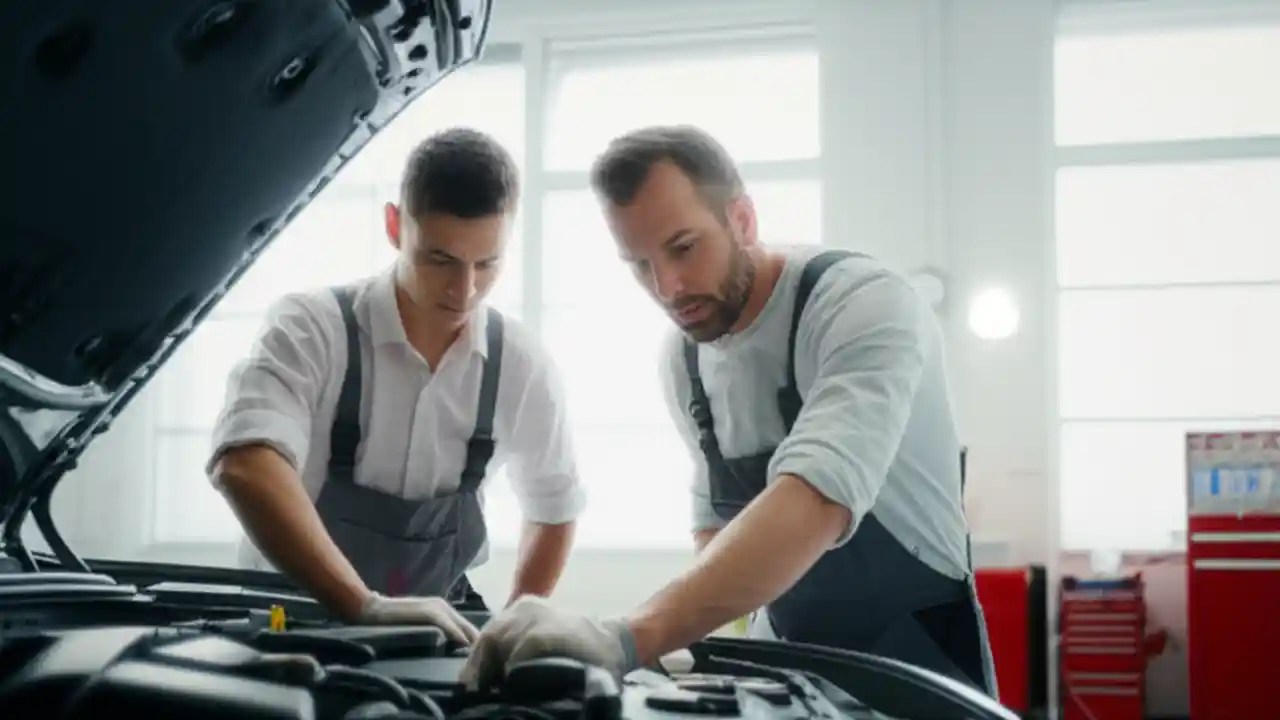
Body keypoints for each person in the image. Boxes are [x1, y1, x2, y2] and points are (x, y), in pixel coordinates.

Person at [460, 125, 996, 695]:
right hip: (792, 659)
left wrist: (628, 636)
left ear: (742, 219)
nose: (668, 287)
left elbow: (818, 497)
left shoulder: (861, 304)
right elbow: (715, 532)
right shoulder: (684, 360)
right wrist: (704, 663)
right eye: (639, 264)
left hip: (920, 658)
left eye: (683, 247)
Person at [207, 127, 585, 643]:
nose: (465, 290)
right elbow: (245, 465)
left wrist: (509, 629)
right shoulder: (312, 328)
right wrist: (362, 605)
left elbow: (555, 507)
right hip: (287, 628)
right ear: (394, 225)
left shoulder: (522, 364)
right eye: (441, 260)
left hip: (432, 636)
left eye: (487, 263)